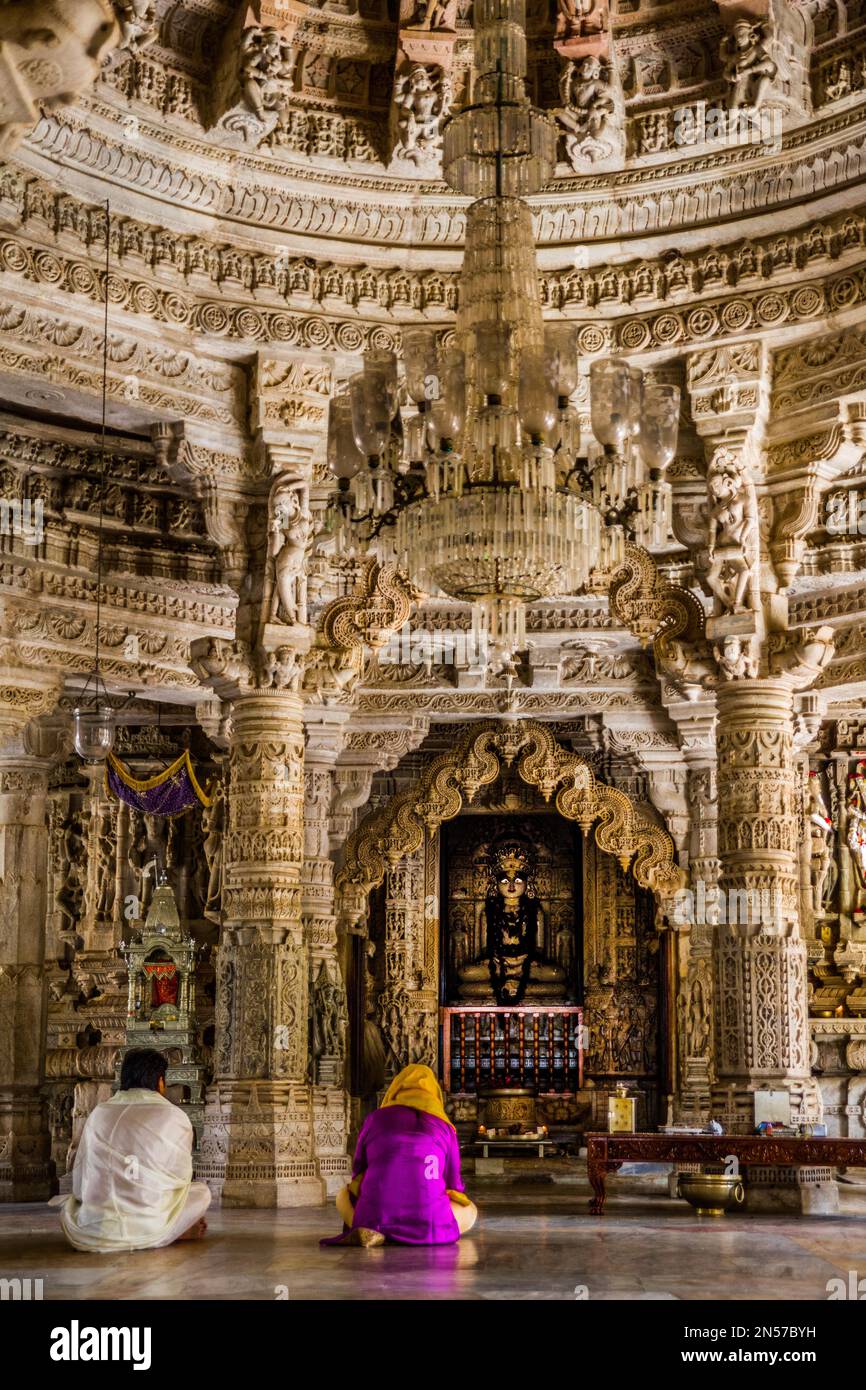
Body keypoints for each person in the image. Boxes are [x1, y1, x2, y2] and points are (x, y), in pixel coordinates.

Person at [52, 1048, 211, 1253]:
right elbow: (179, 1179)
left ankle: (161, 1227)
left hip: (92, 1228)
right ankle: (170, 1229)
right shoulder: (174, 1116)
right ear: (160, 1082)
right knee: (200, 1192)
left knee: (71, 1205)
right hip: (147, 1223)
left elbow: (80, 1178)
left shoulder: (99, 1113)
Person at [323, 1064, 477, 1248]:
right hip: (429, 1226)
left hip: (376, 1217)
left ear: (395, 1089)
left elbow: (359, 1169)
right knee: (470, 1210)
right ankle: (426, 1220)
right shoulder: (444, 1127)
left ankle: (367, 1228)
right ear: (434, 1092)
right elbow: (454, 1182)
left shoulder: (375, 1119)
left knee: (342, 1195)